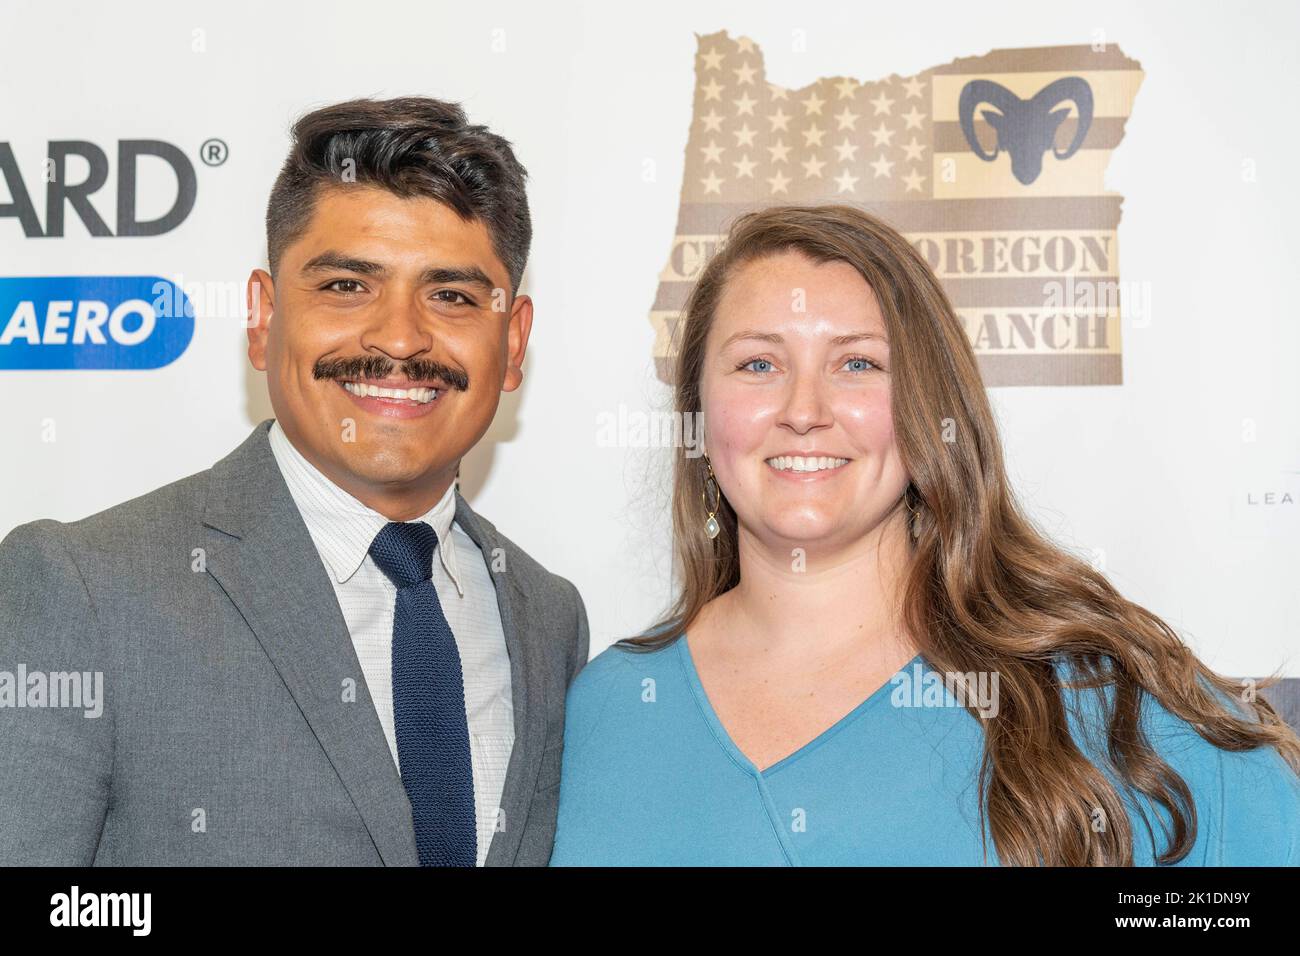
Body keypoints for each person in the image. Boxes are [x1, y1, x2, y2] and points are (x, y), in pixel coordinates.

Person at [550, 204, 1300, 866]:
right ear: (698, 412)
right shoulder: (608, 710)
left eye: (857, 363)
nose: (804, 408)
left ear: (927, 409)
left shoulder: (1088, 690)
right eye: (758, 363)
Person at [0, 97, 588, 866]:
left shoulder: (549, 619)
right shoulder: (84, 588)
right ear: (263, 316)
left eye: (451, 295)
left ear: (512, 345)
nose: (401, 337)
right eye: (348, 286)